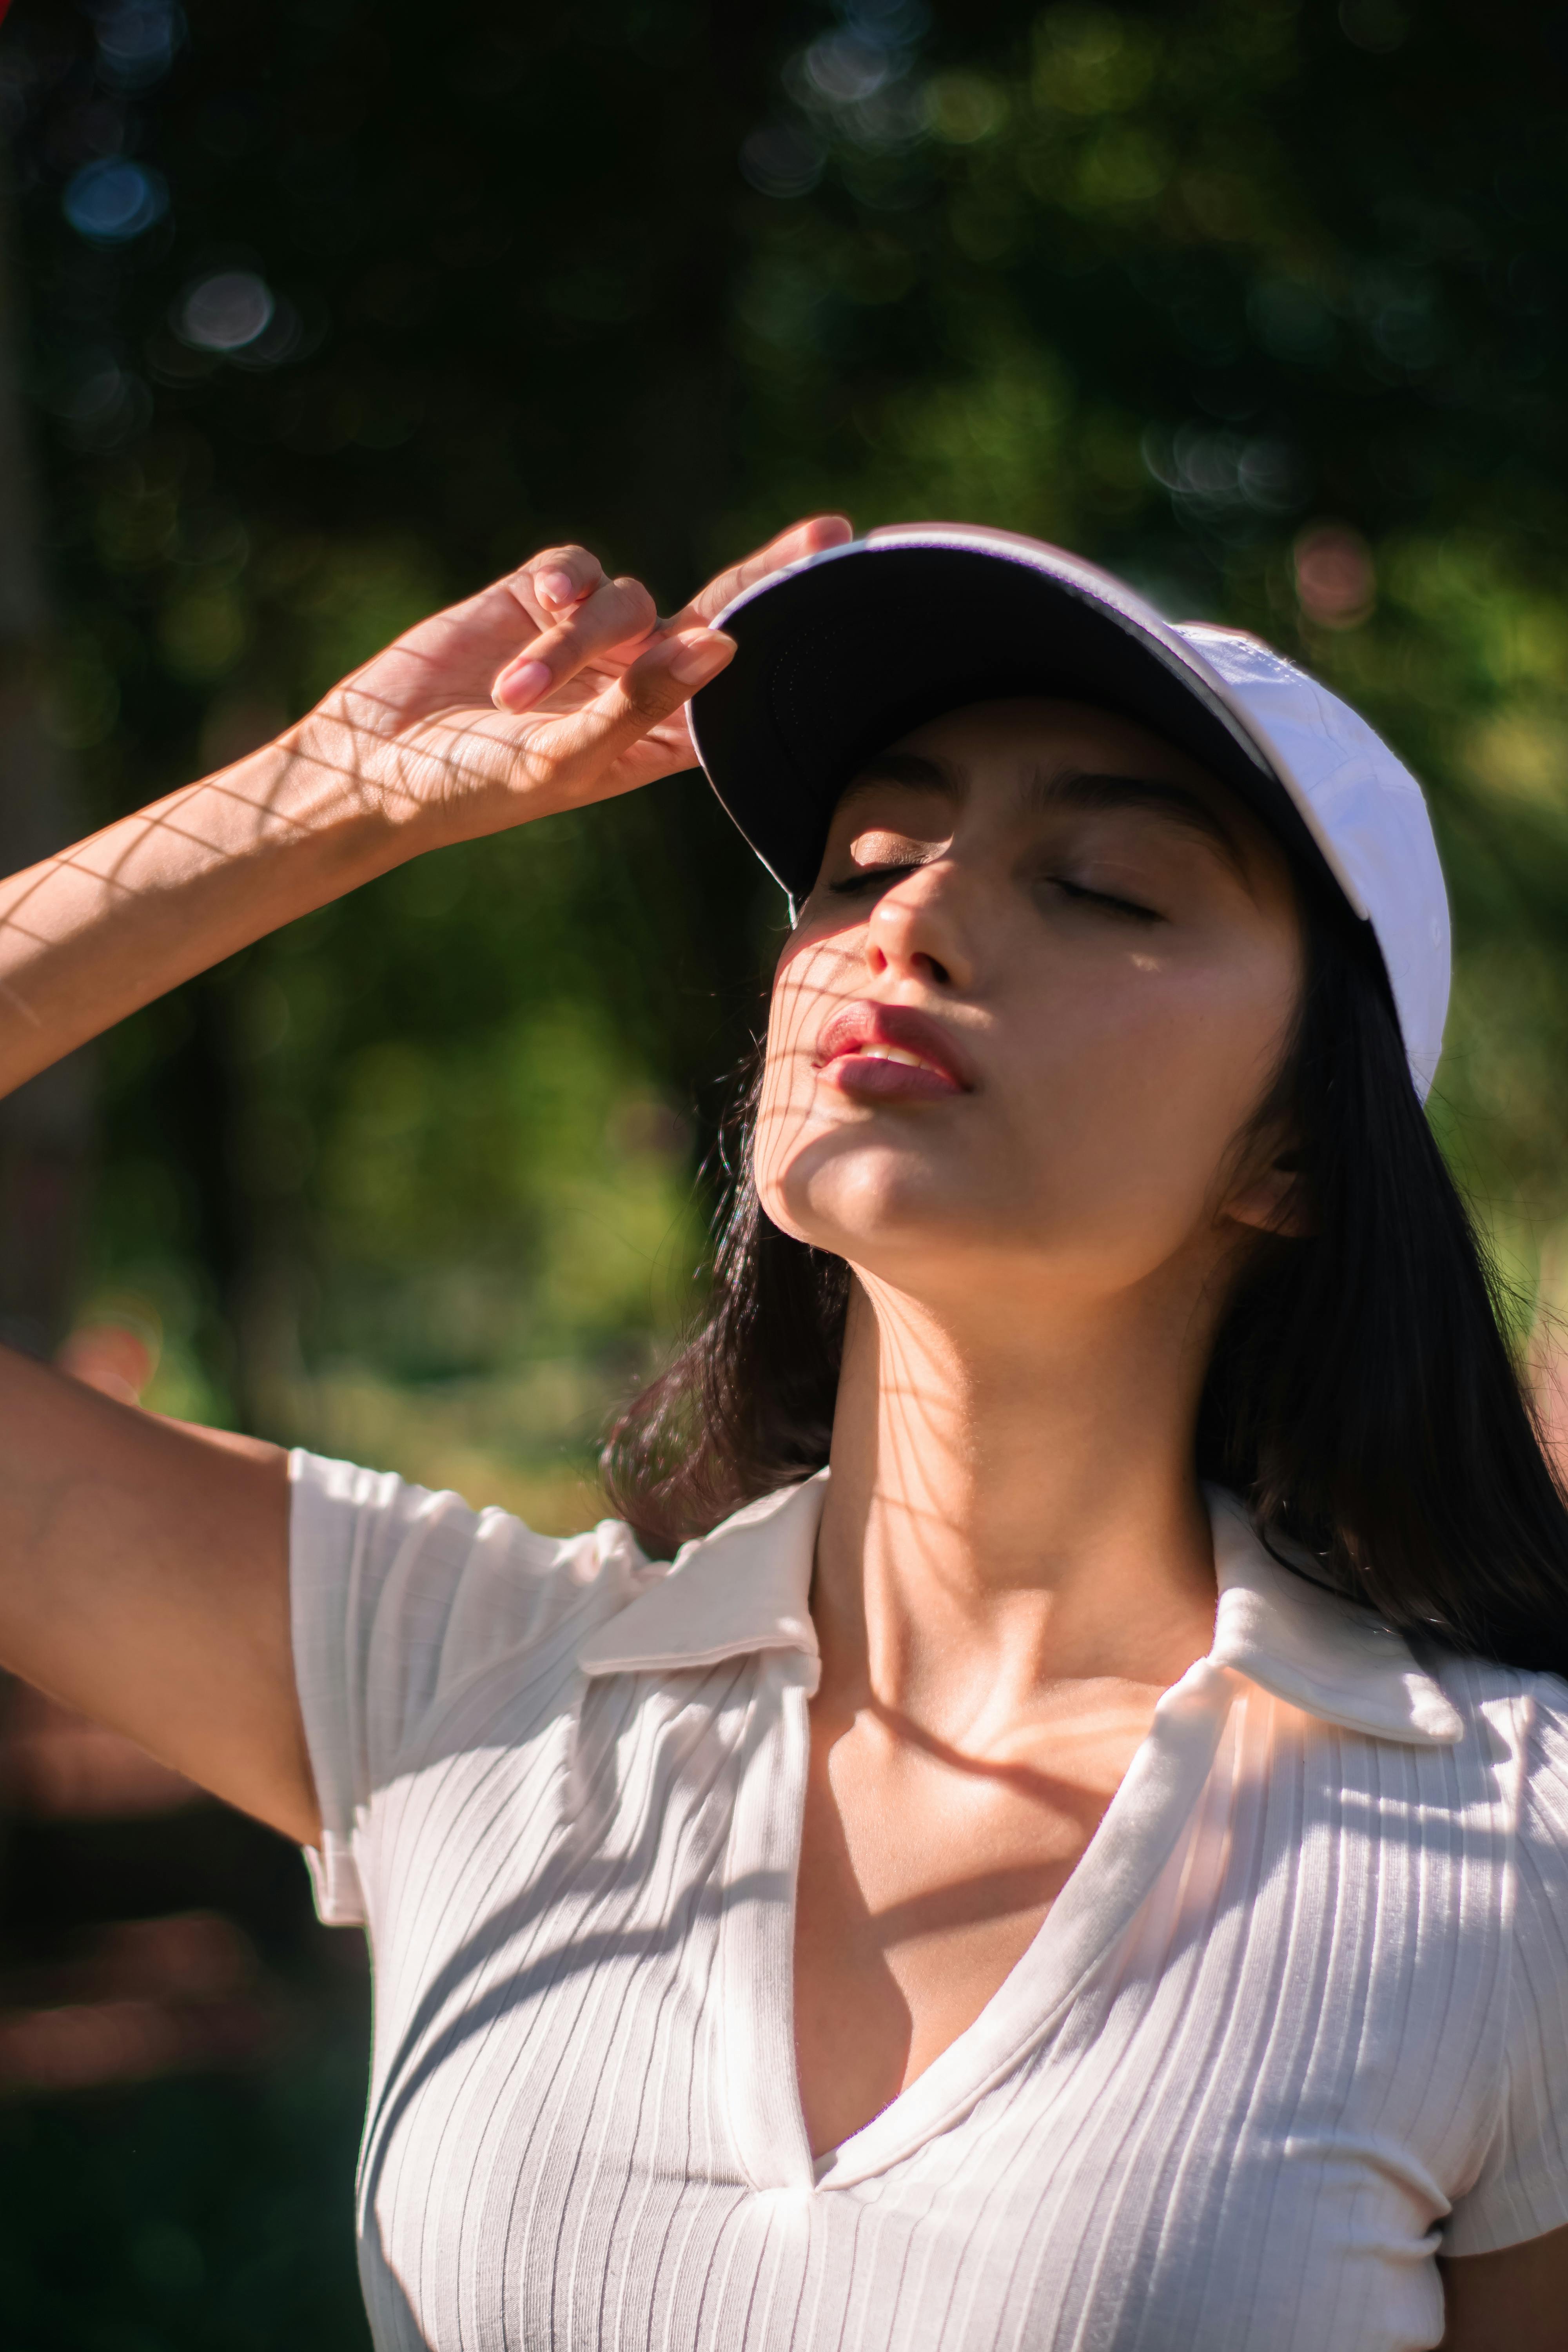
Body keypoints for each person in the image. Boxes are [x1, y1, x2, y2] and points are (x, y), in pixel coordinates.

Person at [0, 511, 1564, 2352]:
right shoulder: (464, 1689)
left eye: (1108, 890)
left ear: (1300, 1146)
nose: (908, 919)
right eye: (862, 860)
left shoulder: (1511, 1846)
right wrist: (309, 809)